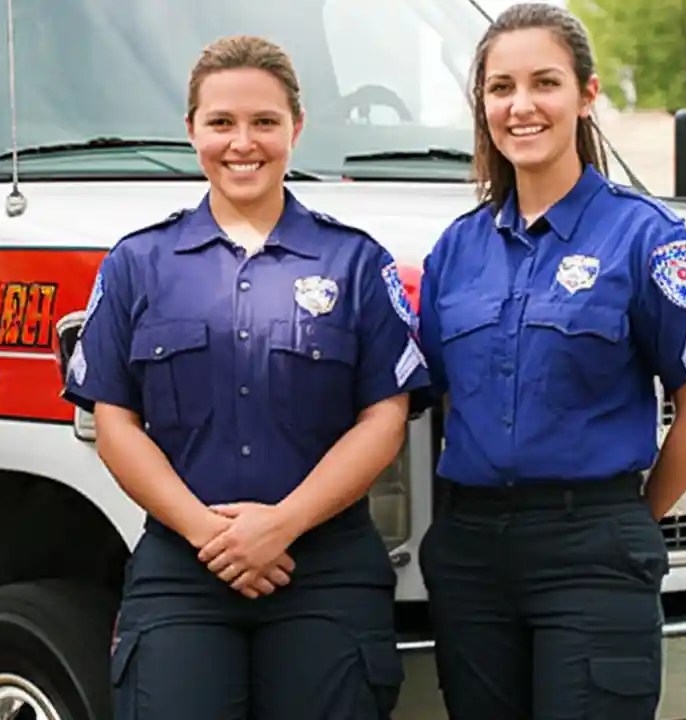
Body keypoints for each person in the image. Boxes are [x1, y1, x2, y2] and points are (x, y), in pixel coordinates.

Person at [63, 35, 428, 719]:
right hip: (183, 568)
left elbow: (383, 419)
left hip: (326, 570)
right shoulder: (138, 264)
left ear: (296, 126)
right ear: (191, 131)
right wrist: (212, 534)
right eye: (221, 123)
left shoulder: (355, 264)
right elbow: (113, 422)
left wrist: (282, 524)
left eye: (264, 122)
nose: (243, 143)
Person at [417, 4, 686, 719]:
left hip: (592, 548)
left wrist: (631, 521)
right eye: (501, 88)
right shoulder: (455, 251)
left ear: (587, 97)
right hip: (471, 558)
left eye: (545, 83)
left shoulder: (646, 237)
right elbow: (423, 396)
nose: (521, 106)